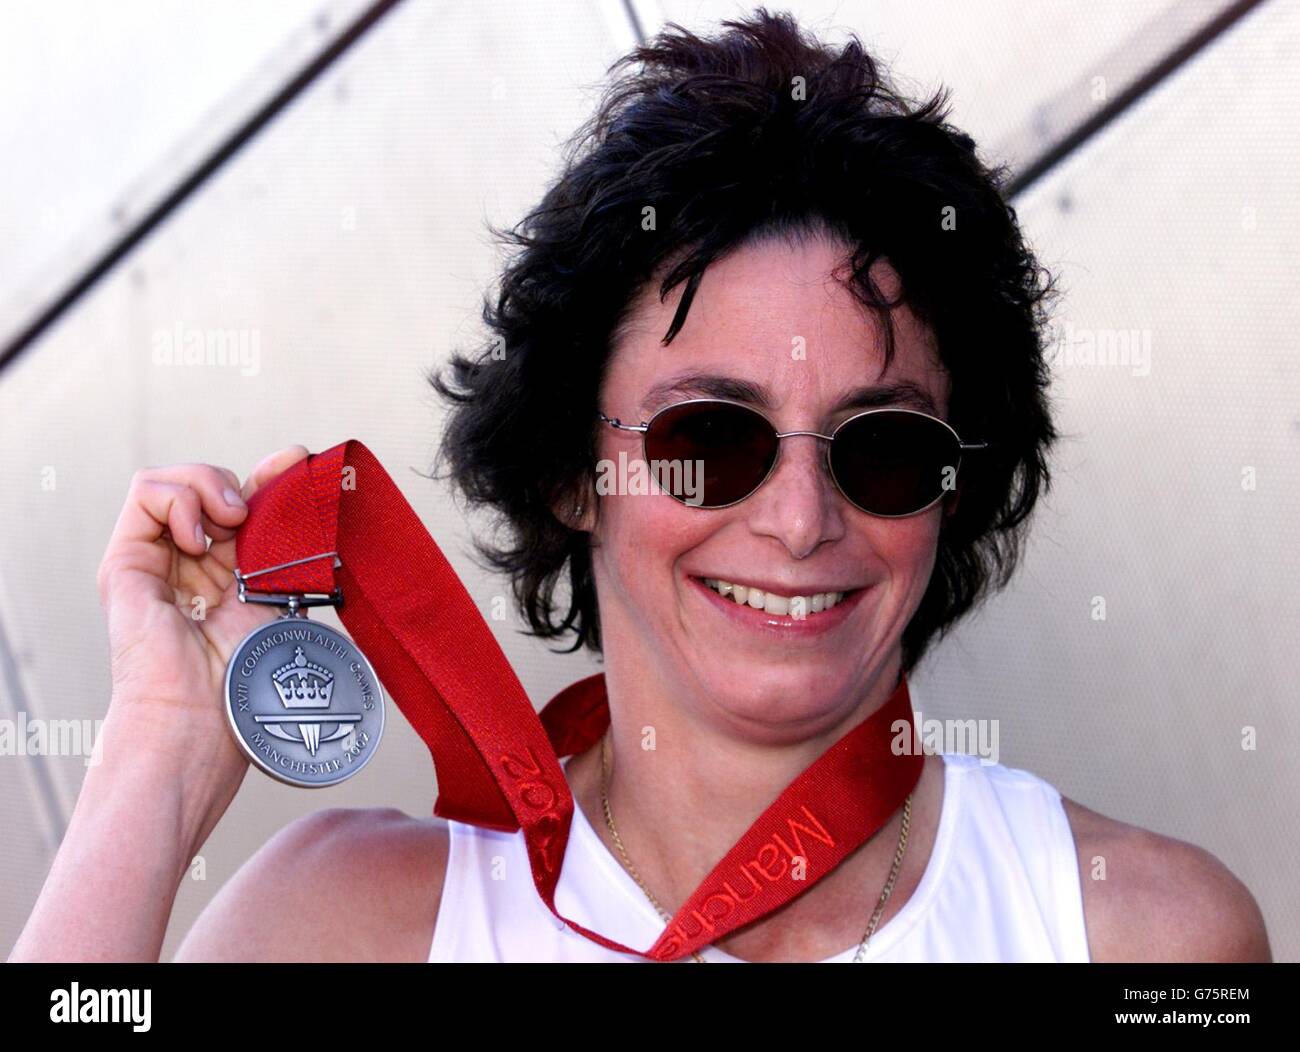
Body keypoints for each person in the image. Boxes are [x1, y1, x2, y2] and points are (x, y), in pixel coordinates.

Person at [10, 9, 1270, 964]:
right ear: (572, 470)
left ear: (952, 491)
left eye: (881, 447)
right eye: (708, 439)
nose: (797, 518)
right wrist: (158, 761)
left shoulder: (1143, 935)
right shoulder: (350, 922)